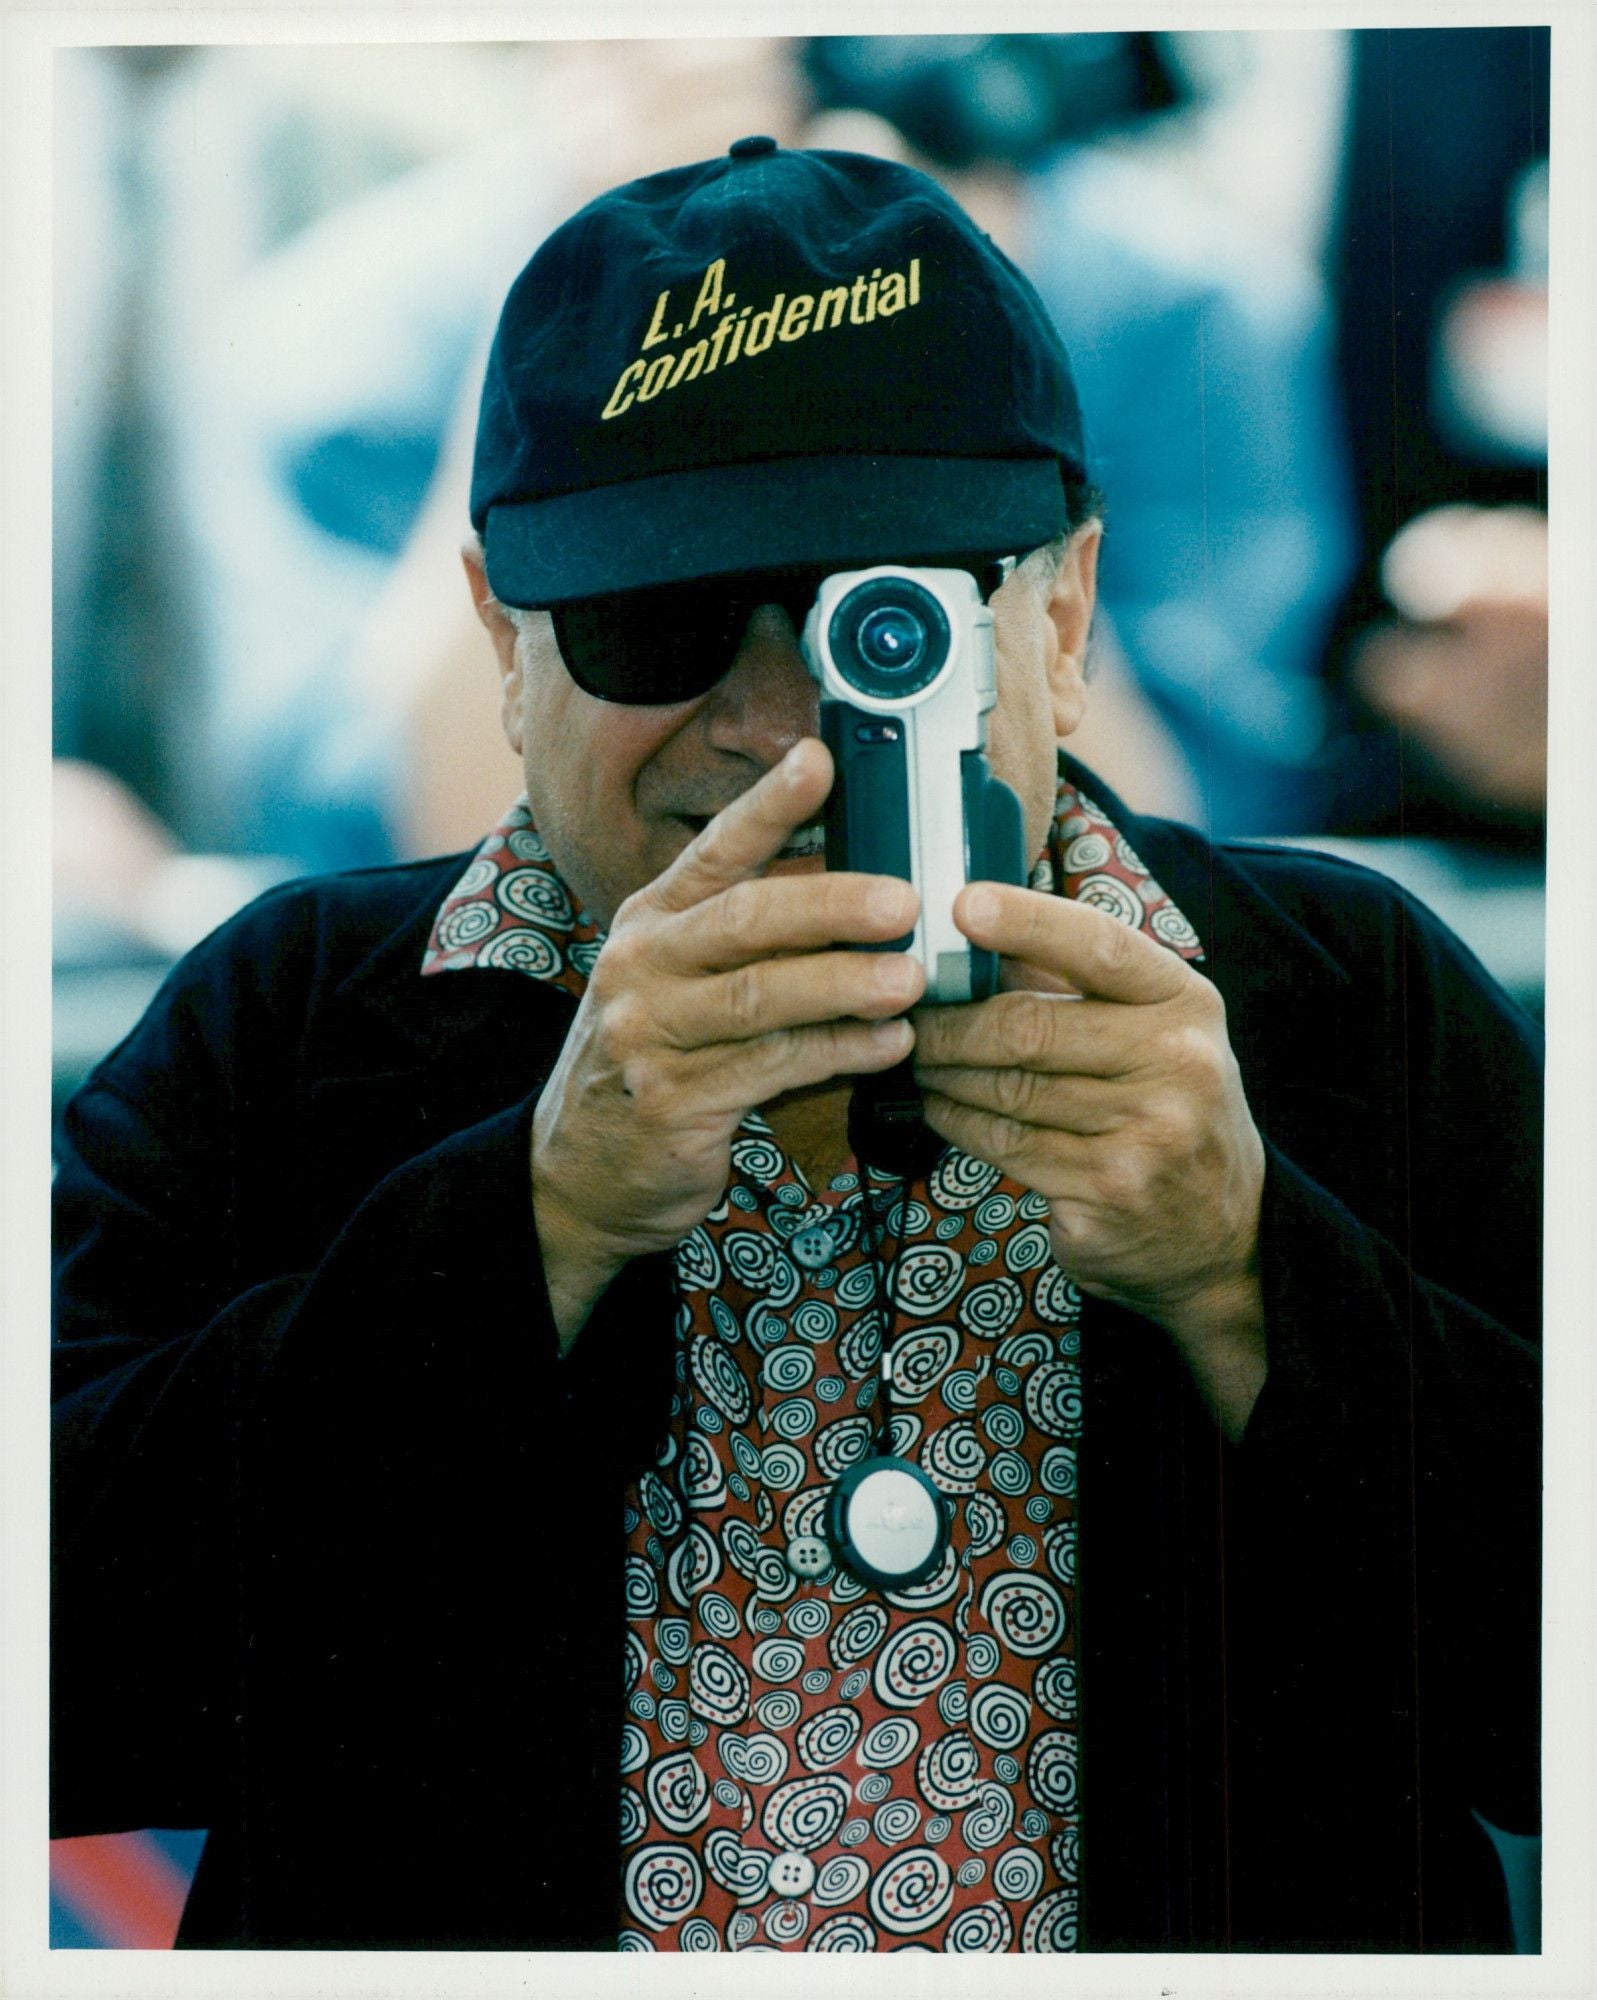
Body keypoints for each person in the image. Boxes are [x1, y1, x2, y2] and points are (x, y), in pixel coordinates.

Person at [52, 140, 1540, 1953]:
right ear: (504, 642)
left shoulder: (1339, 997)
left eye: (880, 623)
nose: (773, 730)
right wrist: (530, 1224)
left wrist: (1243, 1275)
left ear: (1057, 621)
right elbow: (70, 1706)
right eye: (653, 625)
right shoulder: (294, 1018)